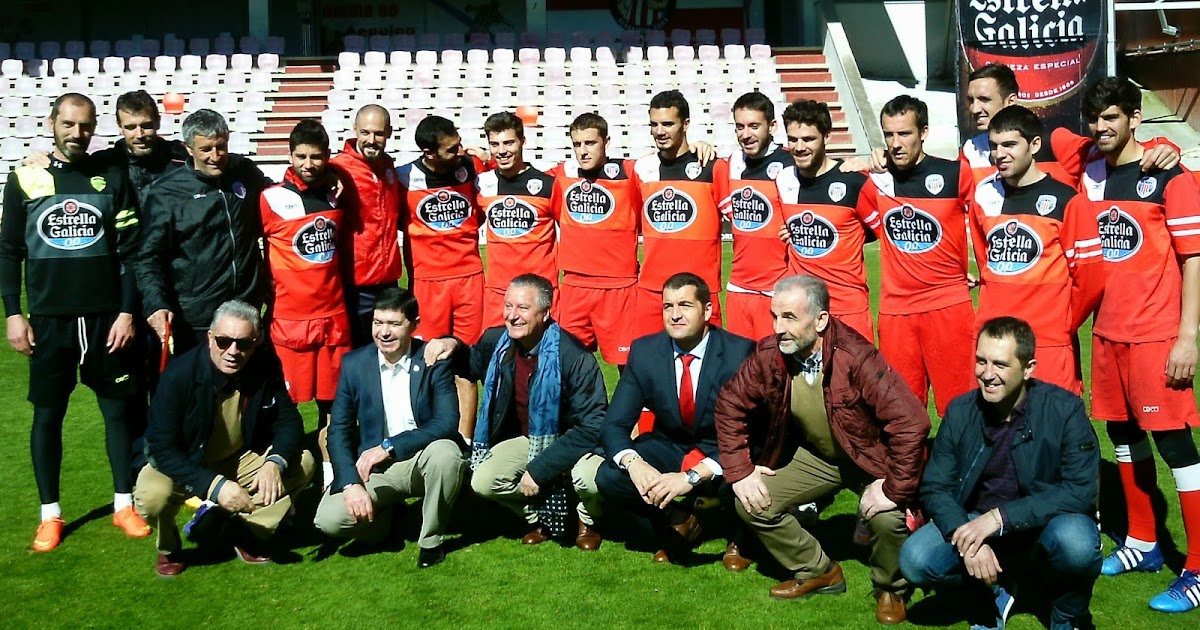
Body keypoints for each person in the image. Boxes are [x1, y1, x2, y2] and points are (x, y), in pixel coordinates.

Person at [1057, 77, 1200, 613]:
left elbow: (1194, 261)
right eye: (1095, 119)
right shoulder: (1089, 170)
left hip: (1156, 336)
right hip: (1107, 335)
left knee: (1177, 450)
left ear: (1137, 118)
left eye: (1113, 117)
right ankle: (1141, 541)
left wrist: (1188, 339)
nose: (1101, 128)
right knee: (1122, 436)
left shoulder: (1171, 178)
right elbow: (1046, 136)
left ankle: (1197, 567)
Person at [714, 274, 930, 624]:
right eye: (774, 316)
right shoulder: (771, 353)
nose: (778, 327)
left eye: (789, 318)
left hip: (869, 458)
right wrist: (739, 471)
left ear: (821, 320)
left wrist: (893, 488)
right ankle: (818, 570)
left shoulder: (856, 357)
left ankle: (891, 587)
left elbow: (912, 422)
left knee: (889, 518)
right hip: (817, 457)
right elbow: (729, 404)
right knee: (752, 502)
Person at [1, 93, 149, 552]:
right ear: (51, 123)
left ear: (94, 127)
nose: (76, 133)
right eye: (68, 124)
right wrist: (12, 313)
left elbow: (130, 252)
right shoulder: (25, 176)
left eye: (85, 126)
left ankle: (123, 503)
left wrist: (126, 311)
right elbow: (9, 250)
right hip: (49, 322)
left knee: (118, 413)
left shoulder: (112, 178)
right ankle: (50, 514)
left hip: (107, 320)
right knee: (48, 416)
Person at [900, 316, 1101, 630]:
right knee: (915, 559)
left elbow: (1081, 490)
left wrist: (999, 518)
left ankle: (1066, 614)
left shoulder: (1064, 410)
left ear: (1028, 368)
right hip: (976, 522)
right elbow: (935, 486)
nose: (987, 375)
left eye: (1000, 365)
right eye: (981, 362)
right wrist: (965, 538)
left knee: (1077, 543)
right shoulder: (961, 410)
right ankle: (990, 593)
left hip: (1042, 525)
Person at [424, 274, 608, 550]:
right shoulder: (496, 341)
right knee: (484, 481)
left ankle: (587, 519)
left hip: (575, 441)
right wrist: (452, 344)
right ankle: (539, 517)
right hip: (529, 438)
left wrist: (539, 469)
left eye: (522, 308)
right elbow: (471, 364)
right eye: (508, 306)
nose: (512, 316)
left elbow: (593, 425)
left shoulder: (575, 357)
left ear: (546, 313)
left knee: (589, 481)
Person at [134, 300, 315, 576]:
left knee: (304, 463)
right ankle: (169, 547)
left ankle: (245, 530)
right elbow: (161, 446)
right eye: (223, 341)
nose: (232, 351)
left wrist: (274, 463)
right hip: (186, 462)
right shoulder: (178, 374)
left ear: (256, 342)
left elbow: (289, 420)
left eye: (243, 344)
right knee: (151, 496)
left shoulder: (265, 364)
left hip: (240, 458)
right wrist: (215, 486)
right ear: (210, 338)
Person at [597, 272, 756, 566]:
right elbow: (614, 424)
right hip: (671, 445)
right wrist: (635, 464)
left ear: (707, 311)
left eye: (685, 305)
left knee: (739, 475)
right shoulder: (645, 352)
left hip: (722, 447)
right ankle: (677, 522)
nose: (675, 315)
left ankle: (739, 533)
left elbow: (753, 433)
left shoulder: (739, 353)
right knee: (608, 477)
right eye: (668, 306)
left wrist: (692, 477)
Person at [313, 288, 467, 568]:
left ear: (414, 325)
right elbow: (338, 430)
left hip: (421, 458)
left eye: (394, 324)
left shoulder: (433, 361)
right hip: (376, 470)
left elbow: (446, 423)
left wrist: (390, 447)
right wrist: (350, 483)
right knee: (329, 520)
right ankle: (384, 520)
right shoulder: (354, 364)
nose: (384, 332)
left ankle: (431, 541)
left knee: (446, 453)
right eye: (377, 322)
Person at [968, 105, 1104, 394]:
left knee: (1053, 430)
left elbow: (1090, 279)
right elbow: (985, 262)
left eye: (1009, 144)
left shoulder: (1068, 200)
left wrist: (1062, 323)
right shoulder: (983, 196)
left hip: (1048, 343)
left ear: (1034, 145)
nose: (999, 154)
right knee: (997, 433)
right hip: (994, 343)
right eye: (994, 146)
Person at [859, 95, 976, 417]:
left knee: (961, 406)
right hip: (897, 312)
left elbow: (987, 222)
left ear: (923, 132)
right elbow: (850, 222)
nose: (896, 143)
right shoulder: (875, 181)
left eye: (904, 133)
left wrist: (981, 267)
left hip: (948, 307)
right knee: (903, 410)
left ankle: (964, 469)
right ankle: (913, 470)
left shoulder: (956, 175)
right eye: (889, 135)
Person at [260, 120, 351, 489]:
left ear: (327, 157)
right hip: (290, 320)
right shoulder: (270, 199)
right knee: (286, 407)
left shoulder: (337, 196)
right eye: (301, 156)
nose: (309, 163)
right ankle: (285, 479)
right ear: (290, 155)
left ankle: (332, 479)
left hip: (334, 317)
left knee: (333, 406)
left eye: (316, 156)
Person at [136, 109, 271, 354]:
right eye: (205, 149)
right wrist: (156, 304)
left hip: (246, 309)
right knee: (197, 388)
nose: (216, 156)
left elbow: (281, 196)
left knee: (249, 388)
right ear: (188, 148)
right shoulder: (167, 193)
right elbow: (148, 258)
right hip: (196, 318)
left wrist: (328, 177)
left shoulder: (245, 172)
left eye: (221, 147)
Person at [397, 115, 487, 440]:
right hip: (427, 282)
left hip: (469, 278)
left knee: (466, 364)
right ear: (428, 152)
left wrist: (483, 155)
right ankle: (427, 435)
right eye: (451, 149)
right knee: (428, 363)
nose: (459, 151)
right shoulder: (403, 179)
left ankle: (467, 442)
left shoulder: (470, 167)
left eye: (459, 143)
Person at [774, 99, 876, 341]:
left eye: (808, 139)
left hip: (848, 309)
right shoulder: (784, 179)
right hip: (802, 311)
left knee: (854, 379)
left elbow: (886, 232)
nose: (799, 147)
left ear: (826, 137)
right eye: (793, 139)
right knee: (802, 380)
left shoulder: (854, 181)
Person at [632, 90, 729, 338]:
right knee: (650, 368)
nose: (660, 131)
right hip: (653, 290)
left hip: (700, 289)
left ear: (685, 124)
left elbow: (741, 220)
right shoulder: (642, 168)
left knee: (707, 371)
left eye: (667, 124)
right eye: (654, 124)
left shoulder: (712, 167)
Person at [548, 113, 641, 368]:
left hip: (619, 286)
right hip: (575, 286)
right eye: (577, 144)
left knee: (628, 366)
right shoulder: (562, 174)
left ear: (606, 141)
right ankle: (584, 410)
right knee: (570, 365)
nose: (583, 151)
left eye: (590, 143)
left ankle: (631, 411)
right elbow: (521, 179)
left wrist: (698, 147)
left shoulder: (630, 172)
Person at [721, 91, 793, 341]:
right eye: (740, 127)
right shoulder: (731, 164)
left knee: (776, 370)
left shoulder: (791, 163)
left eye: (754, 126)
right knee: (742, 369)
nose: (746, 134)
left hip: (778, 289)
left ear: (772, 126)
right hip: (738, 288)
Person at [328, 104, 402, 347]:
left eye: (379, 134)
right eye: (365, 132)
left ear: (389, 132)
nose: (371, 140)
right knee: (358, 354)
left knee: (391, 352)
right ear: (355, 130)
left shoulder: (388, 166)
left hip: (389, 281)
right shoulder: (338, 168)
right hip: (355, 285)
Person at [476, 112, 558, 327]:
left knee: (543, 358)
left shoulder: (548, 185)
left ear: (523, 141)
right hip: (498, 293)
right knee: (496, 357)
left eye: (509, 143)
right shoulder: (482, 185)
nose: (502, 151)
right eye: (495, 144)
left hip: (538, 293)